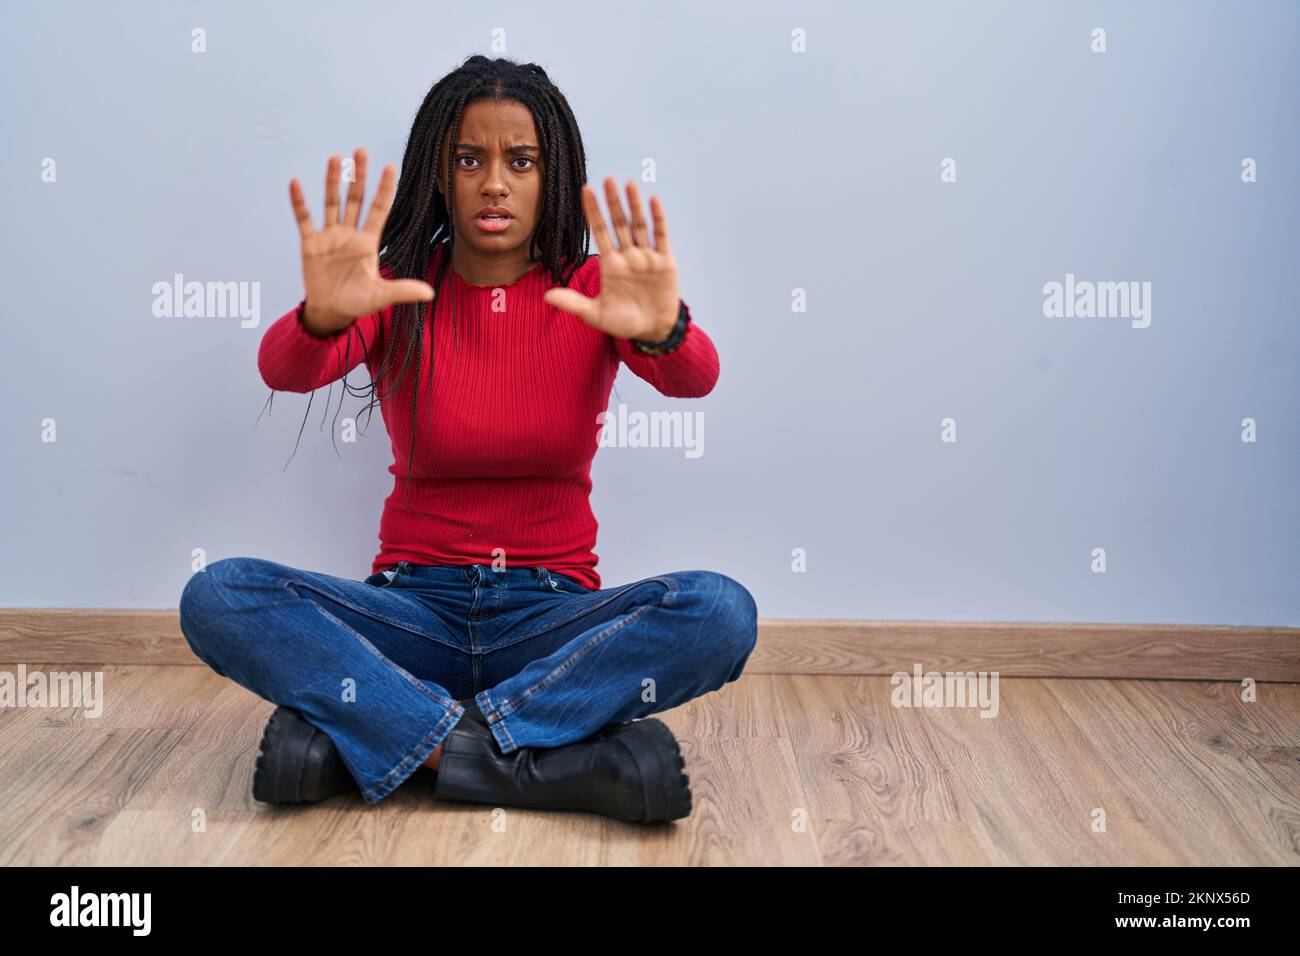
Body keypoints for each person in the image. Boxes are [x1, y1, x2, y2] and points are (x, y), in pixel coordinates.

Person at [178, 55, 757, 824]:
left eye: (521, 161)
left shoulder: (593, 290)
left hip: (548, 618)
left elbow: (698, 378)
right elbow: (285, 369)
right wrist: (323, 315)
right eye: (468, 159)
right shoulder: (396, 285)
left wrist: (664, 330)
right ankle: (524, 755)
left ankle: (391, 742)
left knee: (720, 610)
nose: (494, 182)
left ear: (552, 176)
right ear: (439, 174)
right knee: (219, 594)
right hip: (411, 614)